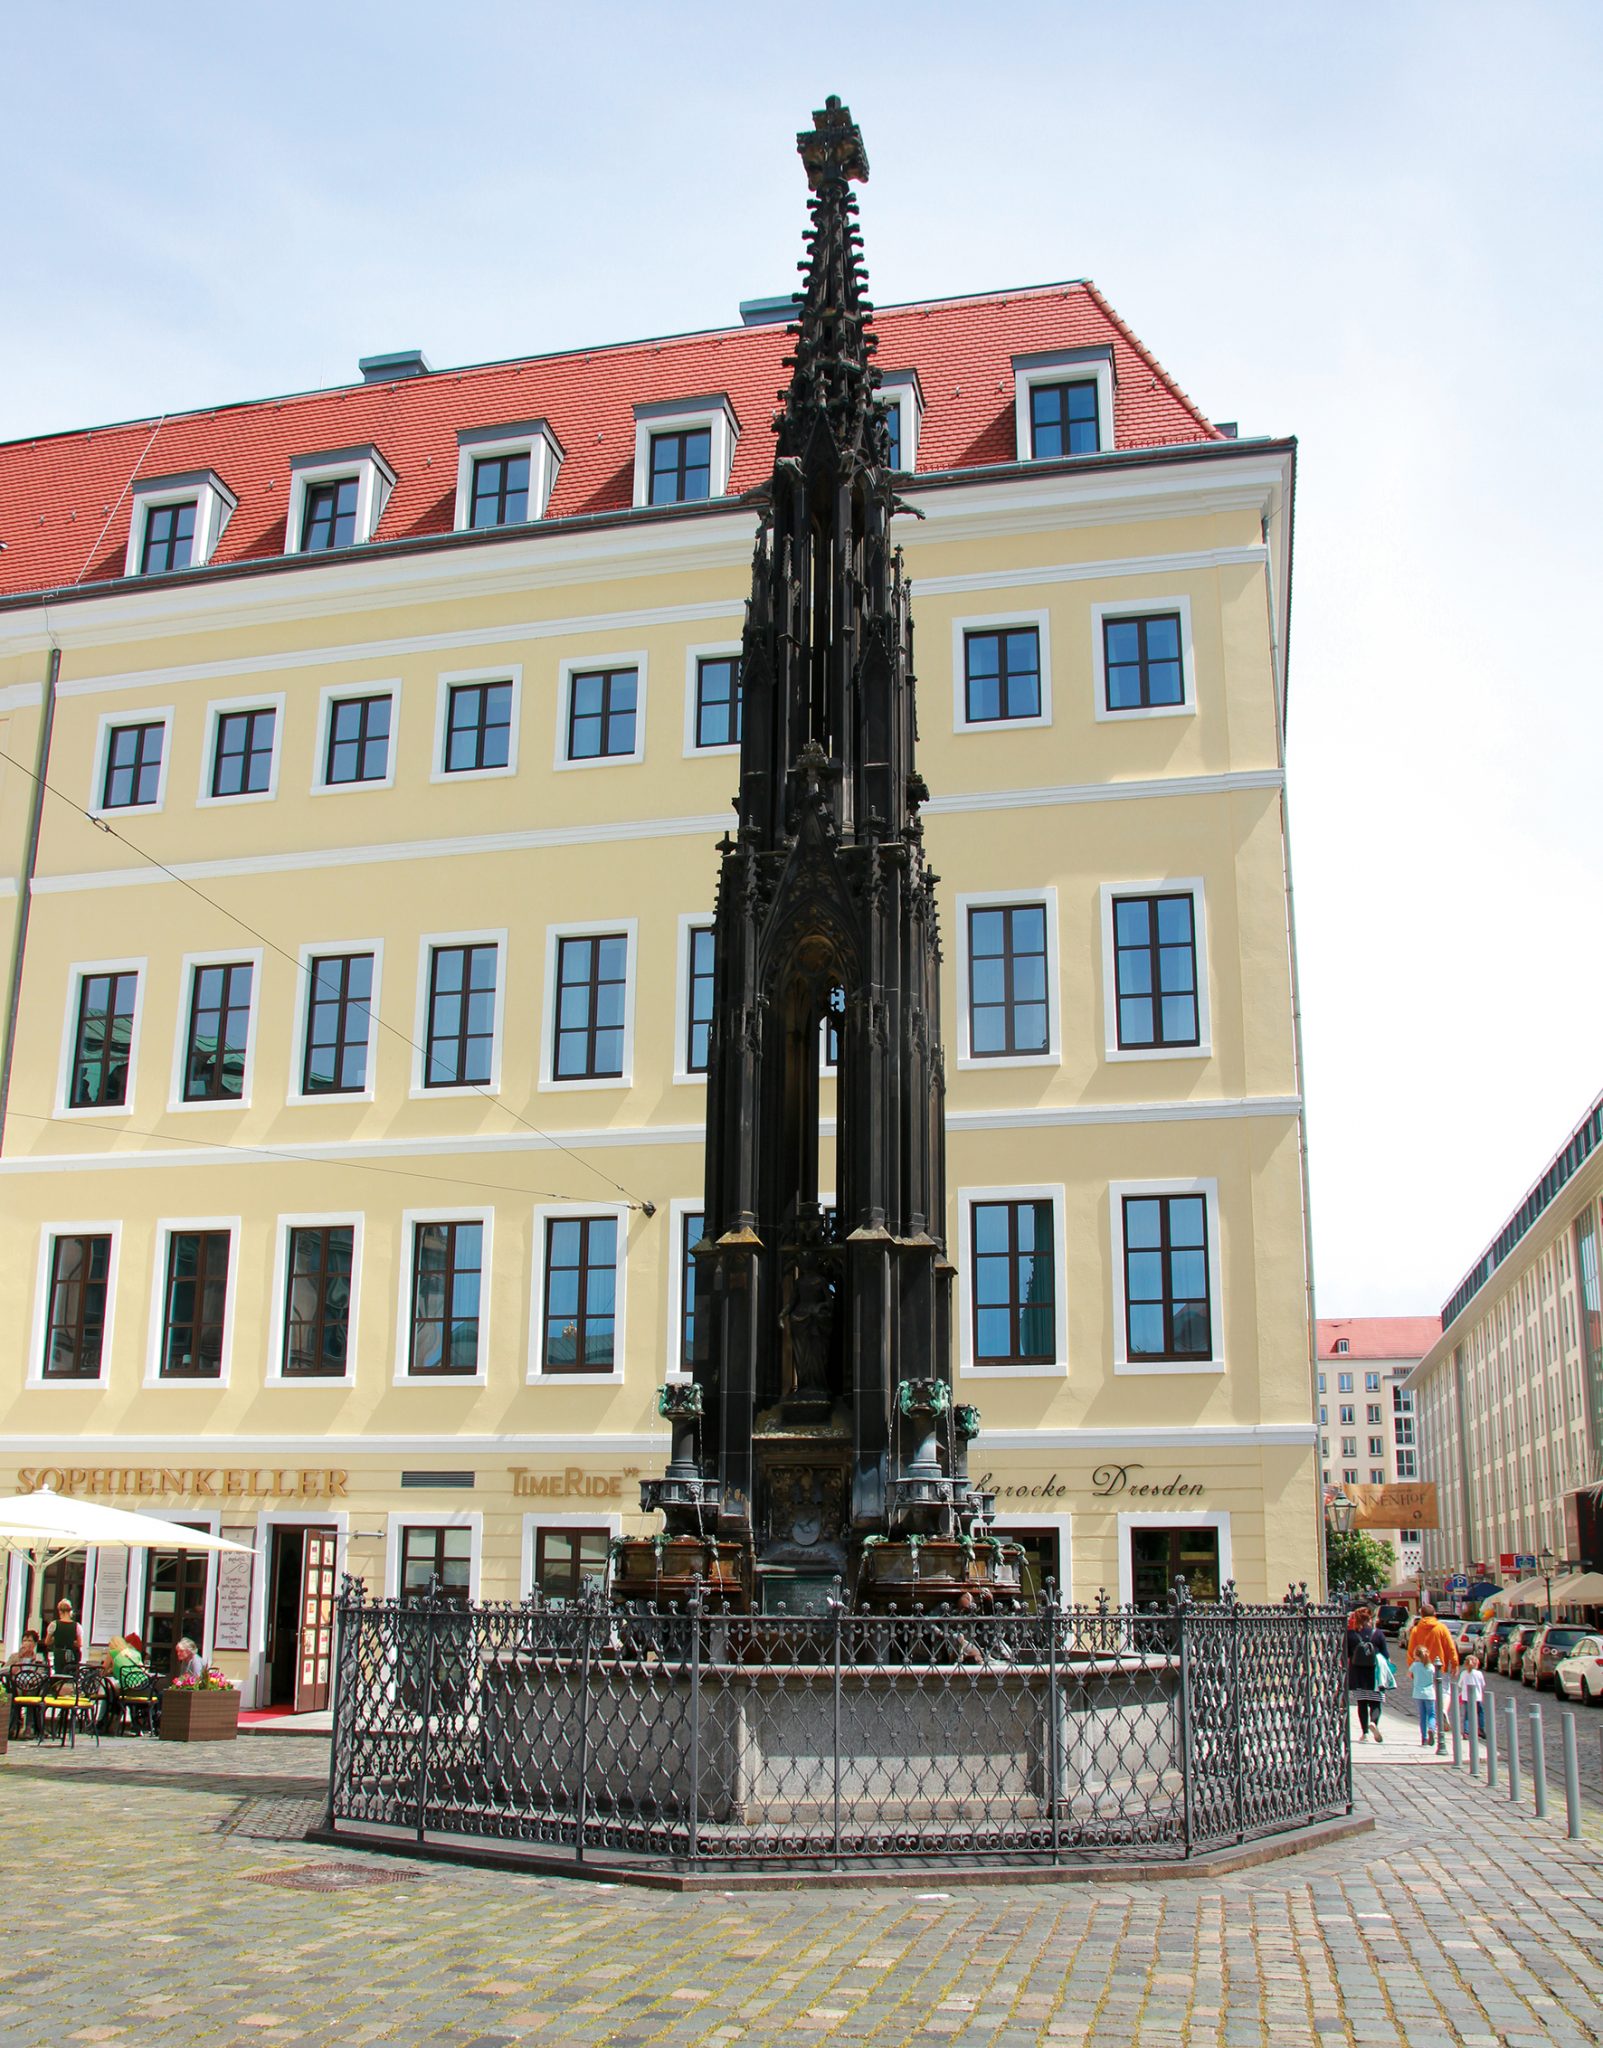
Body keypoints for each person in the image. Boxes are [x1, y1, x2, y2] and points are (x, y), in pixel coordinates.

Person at [1346, 1605, 1389, 1743]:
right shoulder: (1377, 1634)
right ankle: (1374, 1722)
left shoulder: (1351, 1635)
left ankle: (1365, 1733)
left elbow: (1346, 1654)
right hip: (1374, 1675)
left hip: (1358, 1674)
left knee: (1362, 1704)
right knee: (1376, 1702)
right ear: (1370, 1618)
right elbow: (1386, 1654)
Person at [1406, 1604, 1459, 1678]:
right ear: (1434, 1614)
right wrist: (1455, 1664)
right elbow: (1450, 1648)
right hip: (1440, 1668)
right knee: (1440, 1689)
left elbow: (1411, 1651)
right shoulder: (1442, 1628)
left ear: (1421, 1615)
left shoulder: (1416, 1630)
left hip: (1422, 1669)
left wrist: (1412, 1668)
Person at [1410, 1642, 1443, 1744]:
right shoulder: (1430, 1666)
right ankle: (1431, 1729)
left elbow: (1409, 1674)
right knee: (1431, 1715)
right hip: (1429, 1694)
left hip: (1418, 1694)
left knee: (1422, 1716)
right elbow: (1434, 1677)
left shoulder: (1415, 1665)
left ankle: (1424, 1738)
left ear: (1416, 1655)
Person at [47, 1598, 82, 1676]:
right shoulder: (77, 1626)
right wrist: (71, 1642)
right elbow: (80, 1644)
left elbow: (47, 1641)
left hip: (58, 1654)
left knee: (58, 1675)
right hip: (71, 1654)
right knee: (70, 1676)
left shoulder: (54, 1624)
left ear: (60, 1611)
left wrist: (56, 1639)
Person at [1458, 1652, 1487, 1740]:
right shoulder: (1478, 1674)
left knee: (1467, 1715)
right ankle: (1480, 1729)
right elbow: (1483, 1684)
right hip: (1477, 1697)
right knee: (1480, 1713)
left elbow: (1459, 1684)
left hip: (1466, 1697)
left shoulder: (1463, 1673)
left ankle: (1466, 1732)